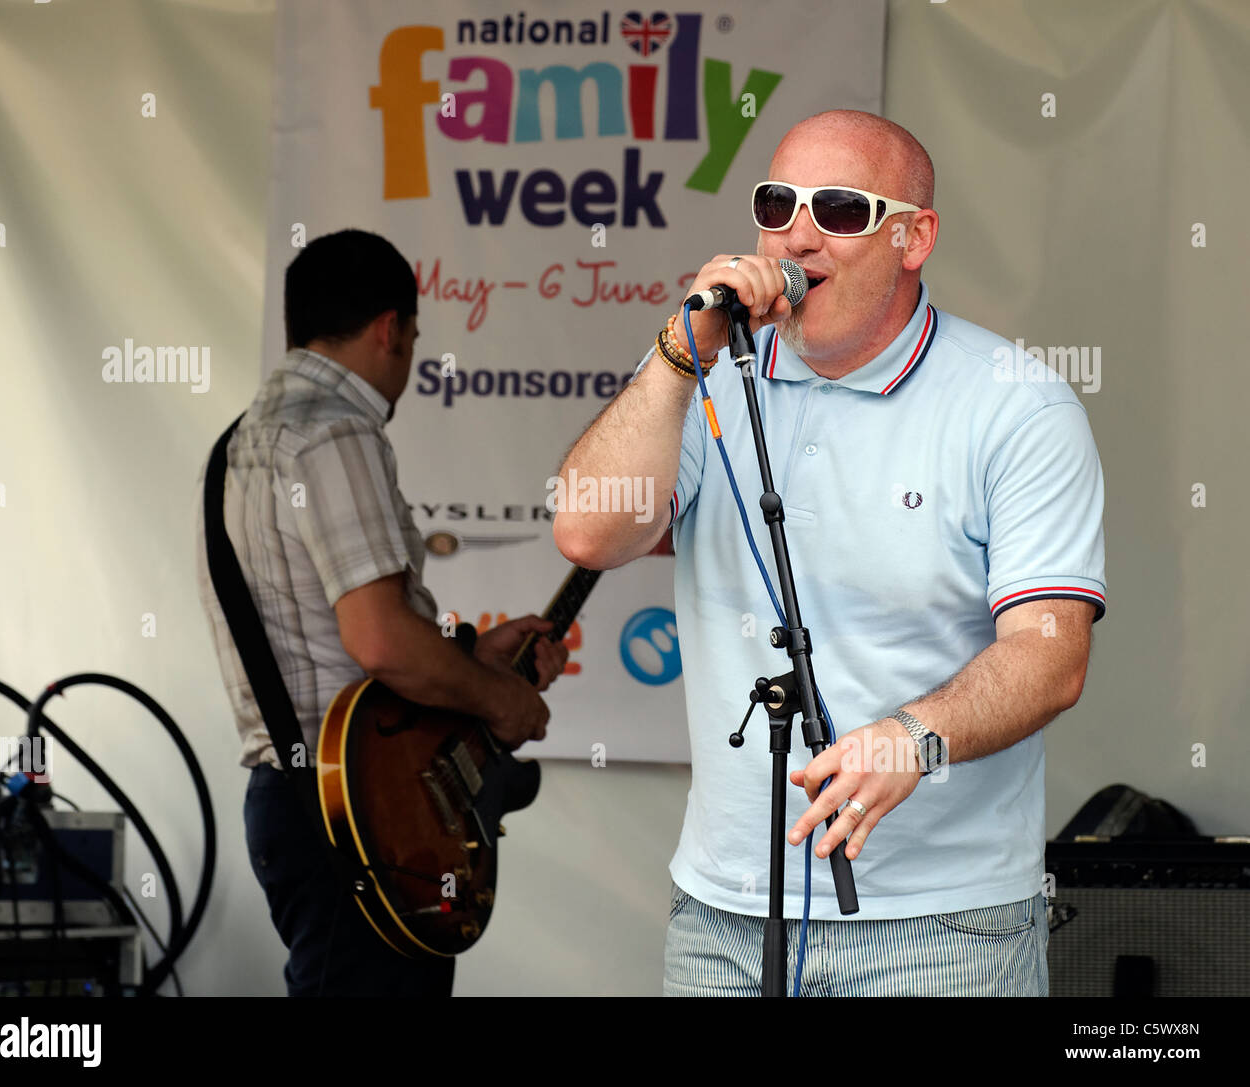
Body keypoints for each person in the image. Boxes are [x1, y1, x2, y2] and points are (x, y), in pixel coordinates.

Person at [553, 111, 1105, 997]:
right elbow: (587, 531)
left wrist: (914, 736)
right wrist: (672, 357)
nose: (799, 235)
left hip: (939, 925)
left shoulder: (1015, 406)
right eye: (778, 204)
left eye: (841, 209)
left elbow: (1052, 654)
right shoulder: (711, 379)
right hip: (724, 912)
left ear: (913, 236)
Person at [195, 229, 568, 997]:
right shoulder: (335, 431)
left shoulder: (237, 447)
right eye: (414, 338)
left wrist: (473, 656)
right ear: (390, 328)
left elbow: (339, 637)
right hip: (363, 817)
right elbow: (380, 642)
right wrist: (505, 699)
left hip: (304, 803)